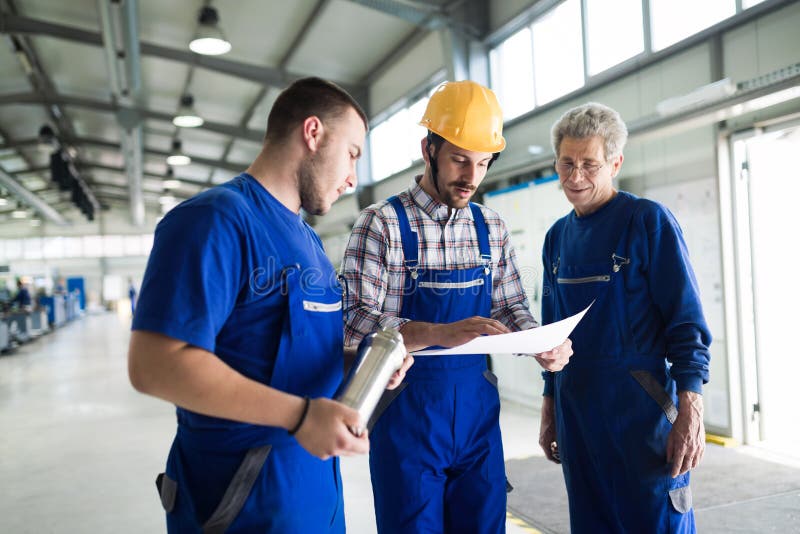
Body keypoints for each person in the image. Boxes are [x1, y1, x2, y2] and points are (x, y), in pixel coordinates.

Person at [128, 77, 412, 533]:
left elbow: (284, 355)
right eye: (352, 153)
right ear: (313, 133)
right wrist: (300, 416)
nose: (353, 177)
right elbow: (153, 364)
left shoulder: (308, 241)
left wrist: (365, 368)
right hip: (241, 504)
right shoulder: (214, 220)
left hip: (313, 495)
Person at [341, 80, 573, 533]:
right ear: (428, 150)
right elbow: (353, 323)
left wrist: (540, 343)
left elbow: (510, 306)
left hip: (476, 421)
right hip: (406, 418)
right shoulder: (381, 224)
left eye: (483, 163)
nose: (471, 177)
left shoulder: (491, 227)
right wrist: (436, 333)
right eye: (459, 160)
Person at [538, 102, 711, 533]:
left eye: (590, 164)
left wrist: (691, 406)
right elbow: (550, 332)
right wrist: (549, 404)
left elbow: (686, 322)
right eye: (567, 163)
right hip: (577, 415)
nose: (575, 176)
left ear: (615, 163)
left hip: (642, 415)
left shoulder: (648, 222)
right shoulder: (556, 238)